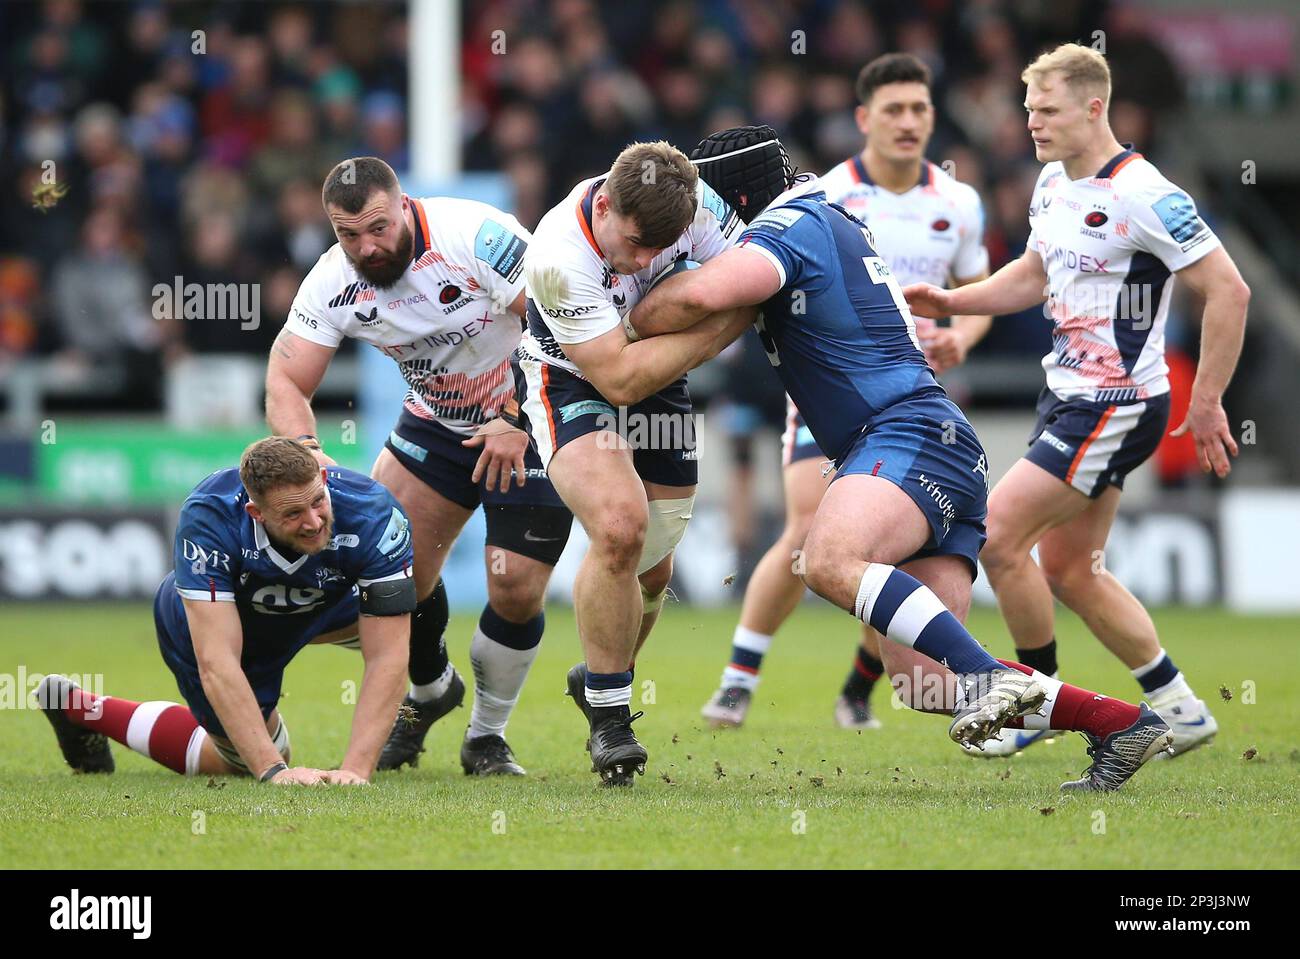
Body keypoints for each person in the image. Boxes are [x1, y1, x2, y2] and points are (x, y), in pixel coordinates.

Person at [627, 125, 1173, 792]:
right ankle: (1120, 722)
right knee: (923, 680)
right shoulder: (825, 217)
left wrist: (623, 311)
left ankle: (989, 676)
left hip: (905, 434)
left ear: (734, 196)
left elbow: (698, 297)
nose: (697, 226)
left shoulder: (787, 227)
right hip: (935, 445)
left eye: (705, 207)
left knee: (826, 559)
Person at [903, 44, 1249, 757]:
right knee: (1070, 570)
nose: (1032, 122)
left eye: (1047, 110)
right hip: (1069, 396)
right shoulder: (1053, 183)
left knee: (997, 536)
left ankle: (1035, 702)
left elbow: (1230, 290)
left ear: (1095, 108)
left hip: (1116, 403)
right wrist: (956, 299)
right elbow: (1035, 271)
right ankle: (1180, 707)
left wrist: (1209, 399)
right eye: (1029, 109)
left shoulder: (1146, 193)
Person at [701, 52, 994, 731]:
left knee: (870, 551)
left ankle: (866, 683)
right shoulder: (825, 195)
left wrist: (964, 338)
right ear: (863, 119)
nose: (909, 122)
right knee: (814, 532)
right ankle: (740, 676)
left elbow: (974, 294)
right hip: (831, 394)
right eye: (893, 109)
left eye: (920, 108)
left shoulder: (959, 202)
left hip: (912, 396)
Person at [266, 156, 573, 776]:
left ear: (404, 205)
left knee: (513, 586)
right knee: (390, 579)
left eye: (378, 227)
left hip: (534, 418)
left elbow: (564, 325)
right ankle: (432, 690)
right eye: (348, 234)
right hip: (436, 423)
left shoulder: (478, 236)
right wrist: (306, 453)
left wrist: (515, 418)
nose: (366, 246)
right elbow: (285, 378)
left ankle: (487, 736)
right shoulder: (332, 281)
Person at [511, 140, 746, 784]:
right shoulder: (558, 256)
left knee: (651, 570)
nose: (644, 260)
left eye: (659, 249)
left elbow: (754, 281)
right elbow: (616, 379)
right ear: (606, 204)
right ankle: (612, 717)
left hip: (659, 370)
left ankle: (599, 675)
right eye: (637, 243)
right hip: (572, 377)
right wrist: (710, 325)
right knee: (619, 527)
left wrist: (701, 317)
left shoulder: (694, 207)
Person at [37, 437, 414, 785]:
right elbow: (218, 662)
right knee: (247, 760)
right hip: (230, 627)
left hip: (321, 606)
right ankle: (83, 711)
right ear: (256, 512)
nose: (314, 521)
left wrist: (355, 770)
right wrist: (273, 771)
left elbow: (388, 654)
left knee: (418, 603)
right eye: (293, 513)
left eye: (317, 501)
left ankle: (436, 693)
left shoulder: (374, 513)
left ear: (323, 477)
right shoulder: (209, 516)